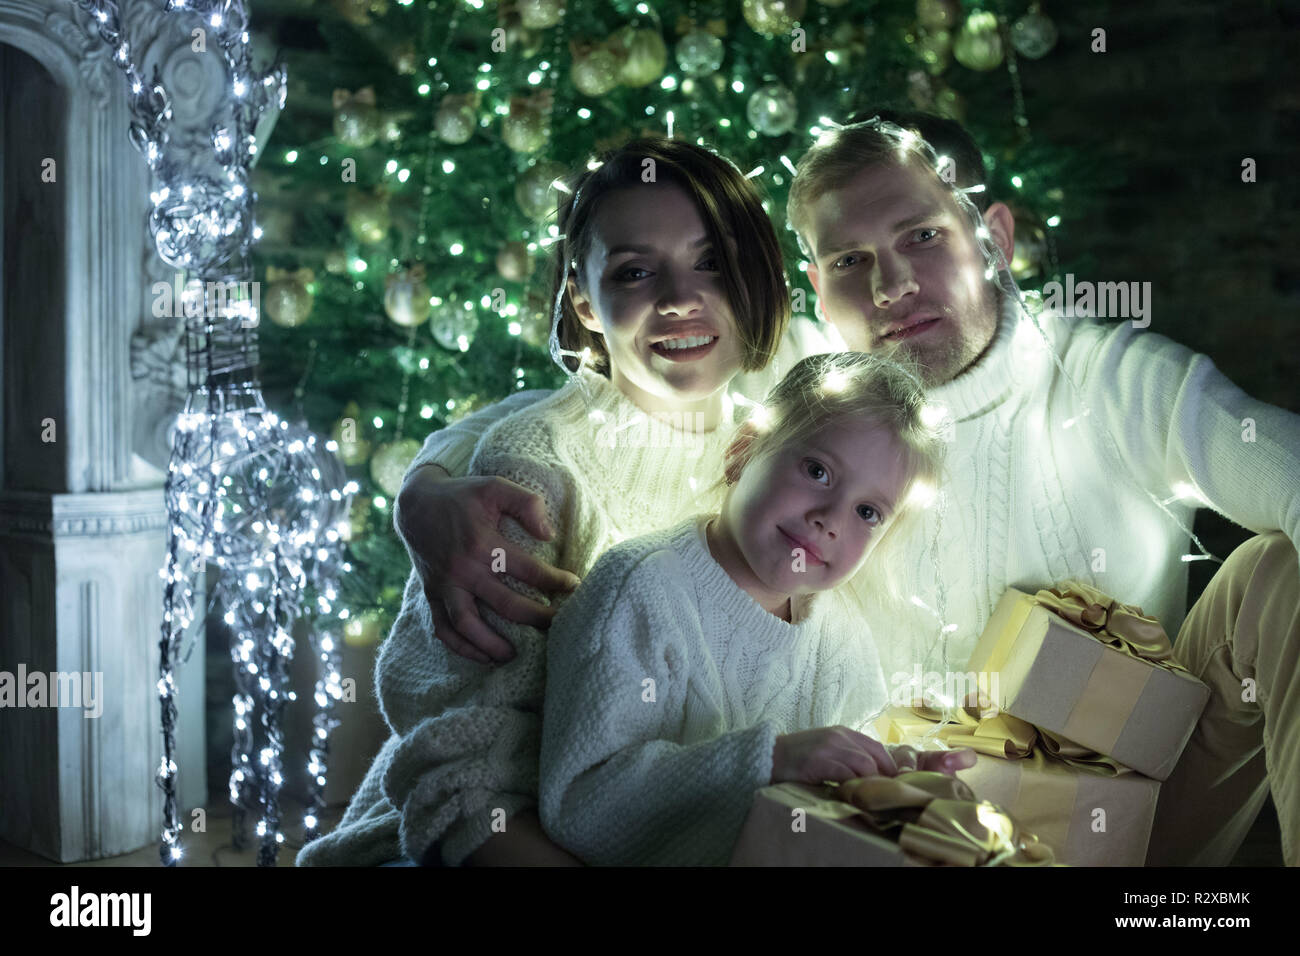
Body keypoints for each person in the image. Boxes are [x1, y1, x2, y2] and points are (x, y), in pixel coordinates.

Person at [395, 109, 1300, 866]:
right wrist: (429, 489)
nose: (895, 285)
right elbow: (596, 406)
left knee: (1279, 579)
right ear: (816, 292)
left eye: (922, 238)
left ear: (997, 238)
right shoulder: (804, 387)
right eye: (850, 261)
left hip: (1131, 806)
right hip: (903, 823)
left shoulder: (1116, 380)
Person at [297, 135, 824, 866]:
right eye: (636, 271)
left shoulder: (780, 451)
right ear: (583, 298)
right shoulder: (536, 470)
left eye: (712, 262)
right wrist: (426, 490)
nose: (679, 299)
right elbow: (467, 790)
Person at [539, 351, 975, 865]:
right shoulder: (641, 589)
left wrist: (889, 772)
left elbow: (834, 783)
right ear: (743, 452)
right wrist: (770, 759)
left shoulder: (840, 636)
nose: (829, 519)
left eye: (867, 511)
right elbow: (580, 804)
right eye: (817, 470)